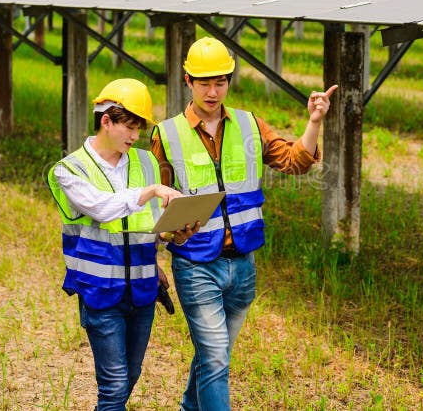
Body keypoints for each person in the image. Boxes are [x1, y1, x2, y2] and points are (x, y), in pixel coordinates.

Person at [151, 37, 338, 410]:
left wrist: (314, 122)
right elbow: (155, 204)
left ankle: (190, 407)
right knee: (217, 359)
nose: (212, 90)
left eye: (220, 81)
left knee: (212, 357)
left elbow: (295, 161)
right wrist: (157, 249)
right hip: (196, 265)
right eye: (204, 82)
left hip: (243, 267)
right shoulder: (167, 135)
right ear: (188, 81)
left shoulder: (250, 125)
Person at [47, 78, 198, 411]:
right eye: (128, 127)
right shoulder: (70, 169)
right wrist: (151, 191)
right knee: (114, 385)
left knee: (130, 376)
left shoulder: (144, 162)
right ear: (106, 121)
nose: (134, 136)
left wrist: (176, 232)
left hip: (142, 290)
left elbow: (151, 223)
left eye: (138, 129)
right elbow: (102, 208)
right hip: (100, 291)